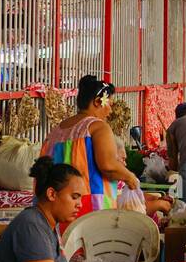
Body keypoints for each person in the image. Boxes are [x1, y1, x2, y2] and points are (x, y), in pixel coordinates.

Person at [42, 75, 162, 218]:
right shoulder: (96, 126)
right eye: (109, 103)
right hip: (88, 206)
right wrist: (130, 177)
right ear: (98, 102)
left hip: (56, 207)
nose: (110, 110)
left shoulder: (57, 130)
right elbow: (108, 166)